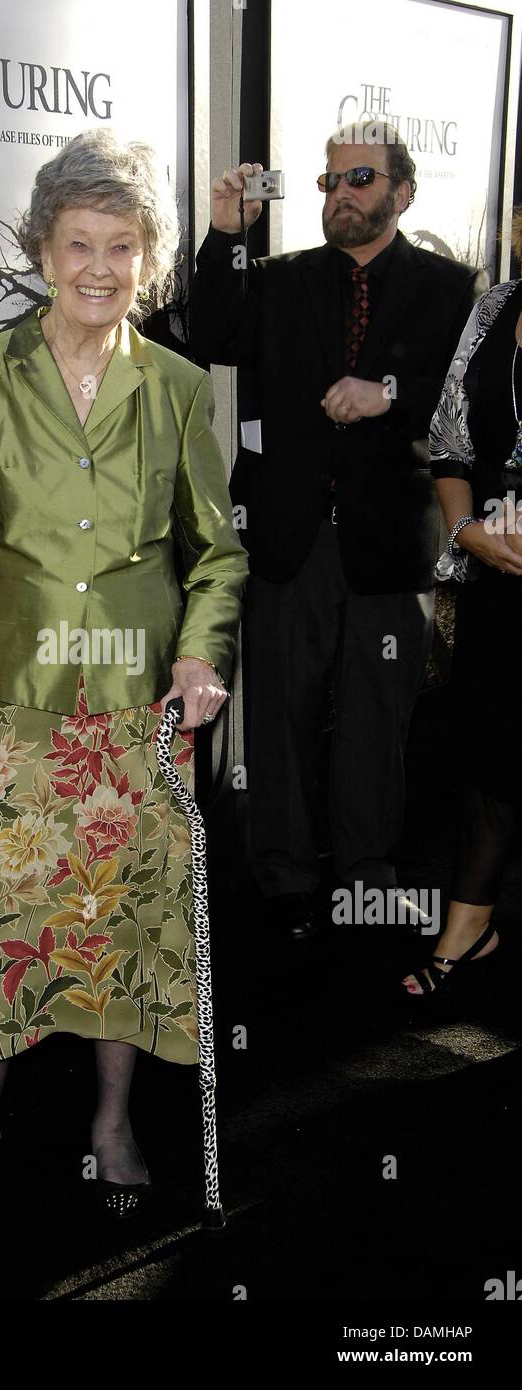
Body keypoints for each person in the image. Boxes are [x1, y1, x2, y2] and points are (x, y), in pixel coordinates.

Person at [0, 129, 249, 1217]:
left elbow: (217, 550)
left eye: (123, 245)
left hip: (140, 709)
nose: (99, 266)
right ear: (40, 248)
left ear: (147, 258)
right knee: (2, 923)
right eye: (77, 242)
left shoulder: (181, 387)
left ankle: (109, 1122)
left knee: (121, 927)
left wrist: (199, 647)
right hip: (10, 702)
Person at [189, 121, 488, 940]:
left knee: (374, 718)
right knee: (279, 715)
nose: (340, 194)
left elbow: (470, 399)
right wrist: (224, 233)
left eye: (359, 178)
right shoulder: (279, 279)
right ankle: (283, 880)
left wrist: (389, 389)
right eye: (328, 181)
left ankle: (366, 875)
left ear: (402, 191)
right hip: (289, 539)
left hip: (390, 544)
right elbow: (207, 335)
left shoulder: (450, 287)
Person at [400, 226, 522, 993]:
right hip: (500, 578)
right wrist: (465, 528)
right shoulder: (494, 309)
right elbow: (448, 442)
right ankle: (468, 926)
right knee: (492, 750)